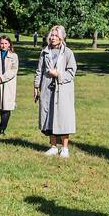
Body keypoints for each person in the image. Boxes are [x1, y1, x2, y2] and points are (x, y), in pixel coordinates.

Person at [34, 25, 77, 157]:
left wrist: (58, 74)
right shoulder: (44, 52)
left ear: (62, 37)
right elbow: (39, 71)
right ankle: (53, 146)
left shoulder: (68, 52)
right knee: (48, 116)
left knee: (64, 118)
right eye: (51, 35)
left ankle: (64, 148)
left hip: (63, 90)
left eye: (56, 35)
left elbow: (71, 72)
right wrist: (36, 87)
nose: (53, 38)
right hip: (47, 89)